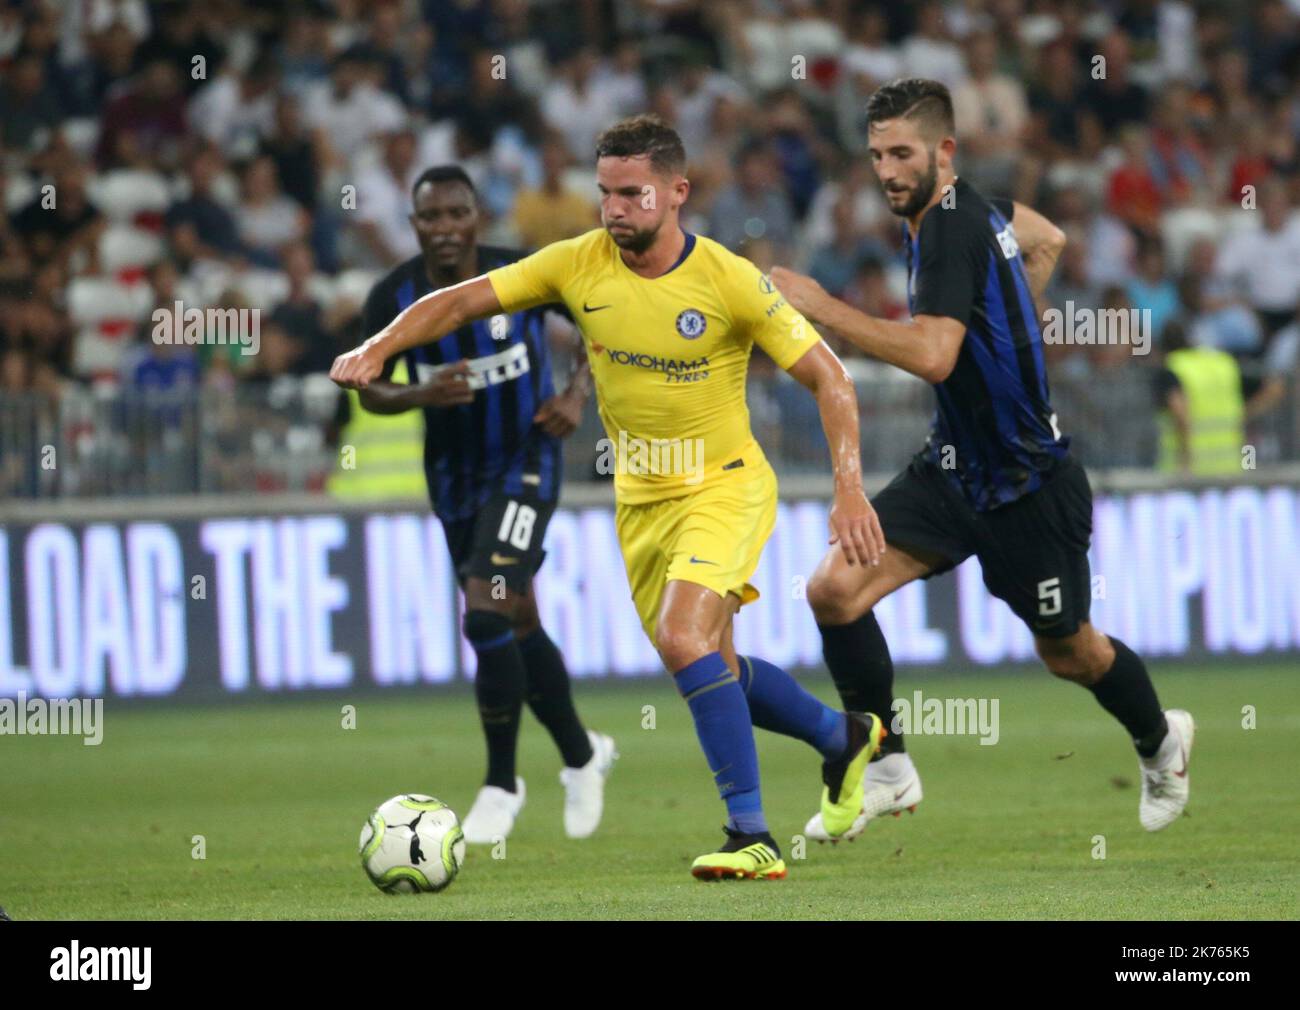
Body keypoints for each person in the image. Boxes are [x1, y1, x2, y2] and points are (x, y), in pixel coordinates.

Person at [331, 117, 889, 881]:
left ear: (676, 193)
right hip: (643, 503)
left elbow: (831, 377)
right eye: (605, 193)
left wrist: (850, 492)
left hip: (724, 485)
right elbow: (461, 301)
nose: (614, 209)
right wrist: (378, 347)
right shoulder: (575, 263)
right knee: (705, 657)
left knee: (687, 638)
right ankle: (841, 736)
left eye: (632, 194)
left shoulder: (729, 280)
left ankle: (750, 834)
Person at [771, 78, 1194, 841]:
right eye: (875, 156)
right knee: (834, 591)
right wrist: (1013, 322)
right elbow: (1047, 243)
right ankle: (892, 772)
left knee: (1071, 653)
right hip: (955, 470)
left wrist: (820, 307)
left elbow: (934, 355)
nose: (887, 171)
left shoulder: (948, 229)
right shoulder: (974, 209)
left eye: (902, 153)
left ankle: (1162, 741)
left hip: (1030, 483)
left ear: (945, 152)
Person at [351, 165, 615, 845]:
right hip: (454, 477)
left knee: (486, 606)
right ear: (414, 226)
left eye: (456, 214)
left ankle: (502, 783)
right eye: (430, 218)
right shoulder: (395, 294)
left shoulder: (520, 274)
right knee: (514, 618)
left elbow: (601, 322)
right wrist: (419, 394)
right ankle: (584, 756)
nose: (444, 229)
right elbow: (366, 385)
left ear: (477, 218)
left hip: (528, 460)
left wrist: (577, 394)